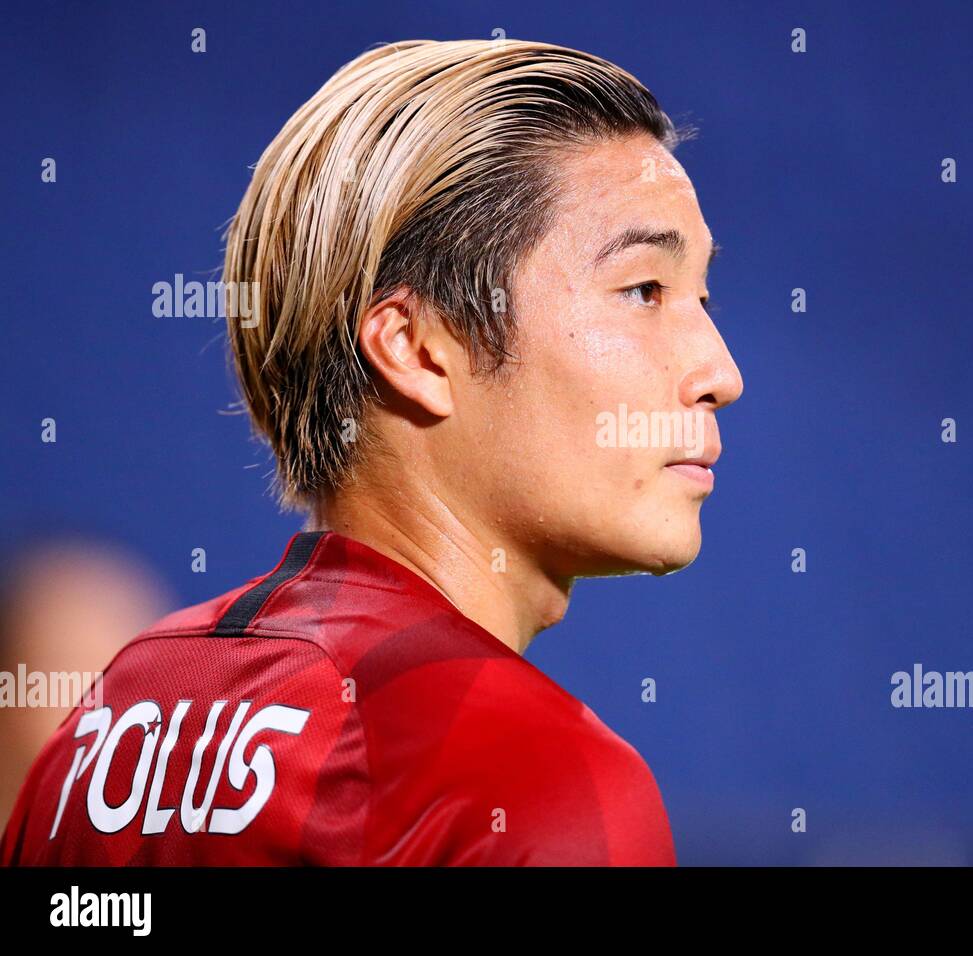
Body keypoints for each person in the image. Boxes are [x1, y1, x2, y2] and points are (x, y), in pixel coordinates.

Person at [2, 37, 742, 865]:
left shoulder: (105, 727)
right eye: (644, 290)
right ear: (418, 348)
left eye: (701, 295)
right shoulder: (534, 777)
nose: (720, 371)